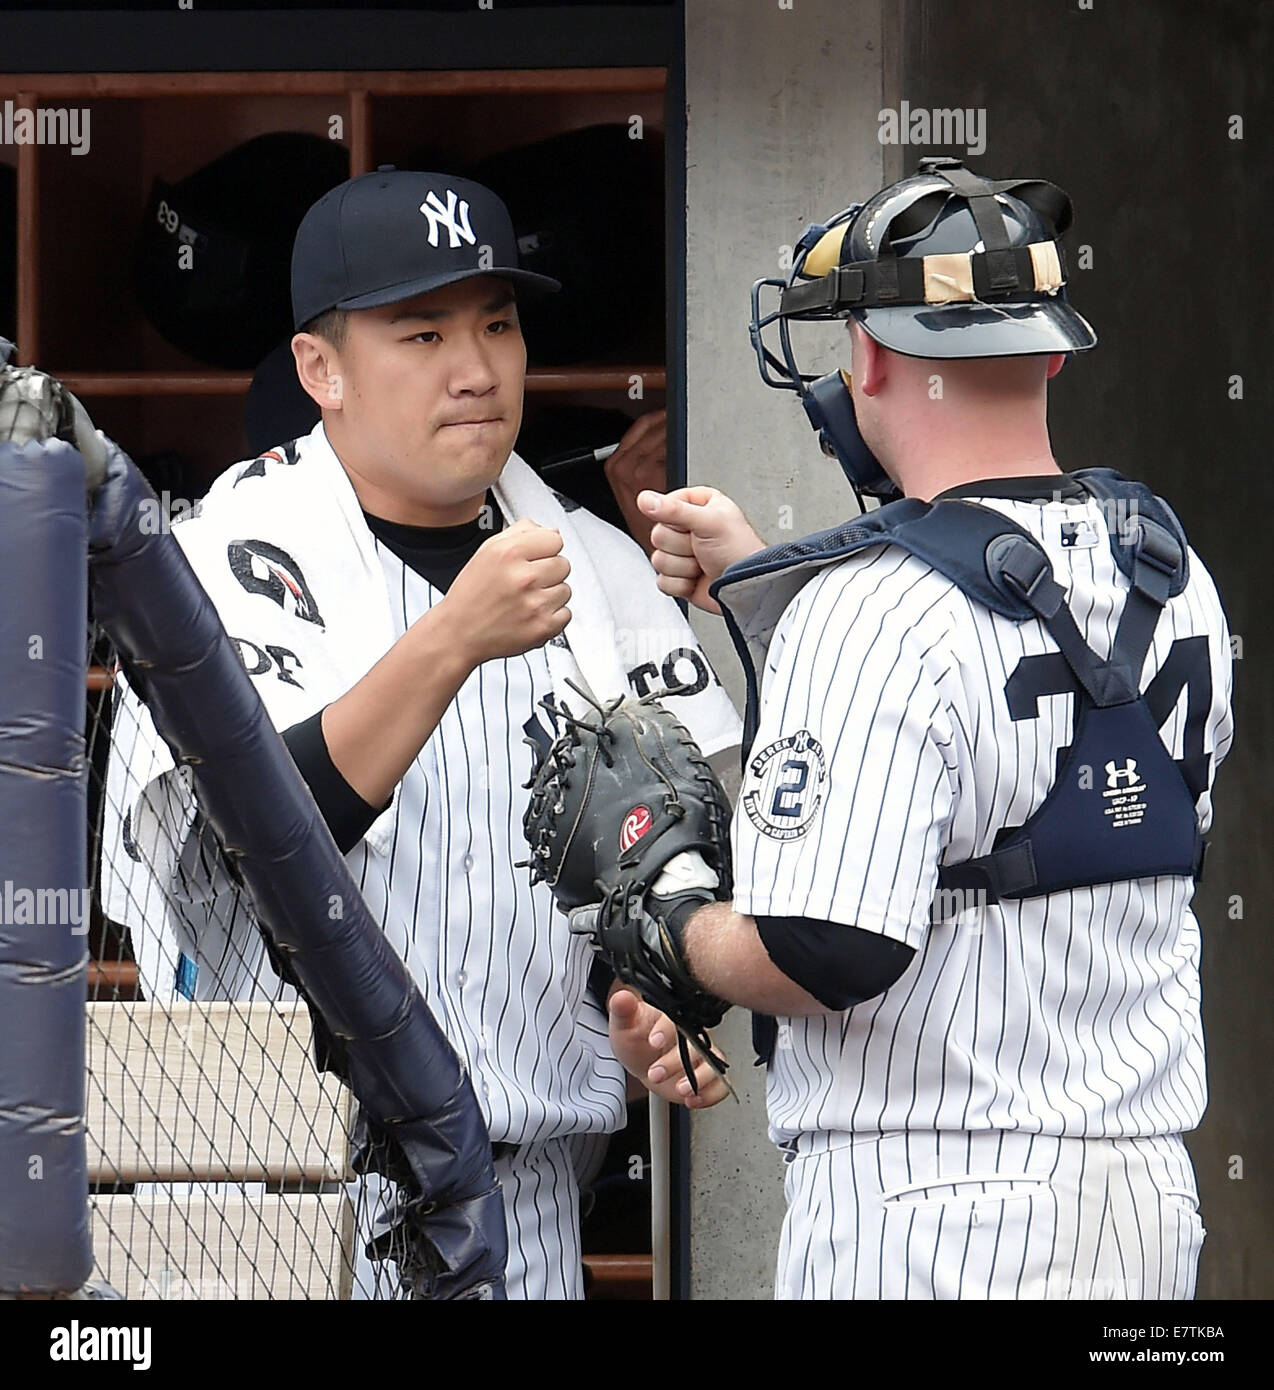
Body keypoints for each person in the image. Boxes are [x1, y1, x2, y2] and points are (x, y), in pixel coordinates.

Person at [101, 169, 740, 1300]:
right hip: (267, 1209)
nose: (476, 367)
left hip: (523, 1209)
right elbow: (247, 845)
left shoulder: (599, 574)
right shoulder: (224, 555)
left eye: (497, 322)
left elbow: (682, 873)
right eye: (422, 329)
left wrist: (654, 1006)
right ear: (321, 369)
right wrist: (450, 642)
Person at [635, 157, 1234, 1300]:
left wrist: (668, 911)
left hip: (928, 1211)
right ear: (1050, 348)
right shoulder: (1170, 566)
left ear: (863, 353)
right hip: (1146, 1202)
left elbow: (828, 948)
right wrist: (770, 601)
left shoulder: (862, 608)